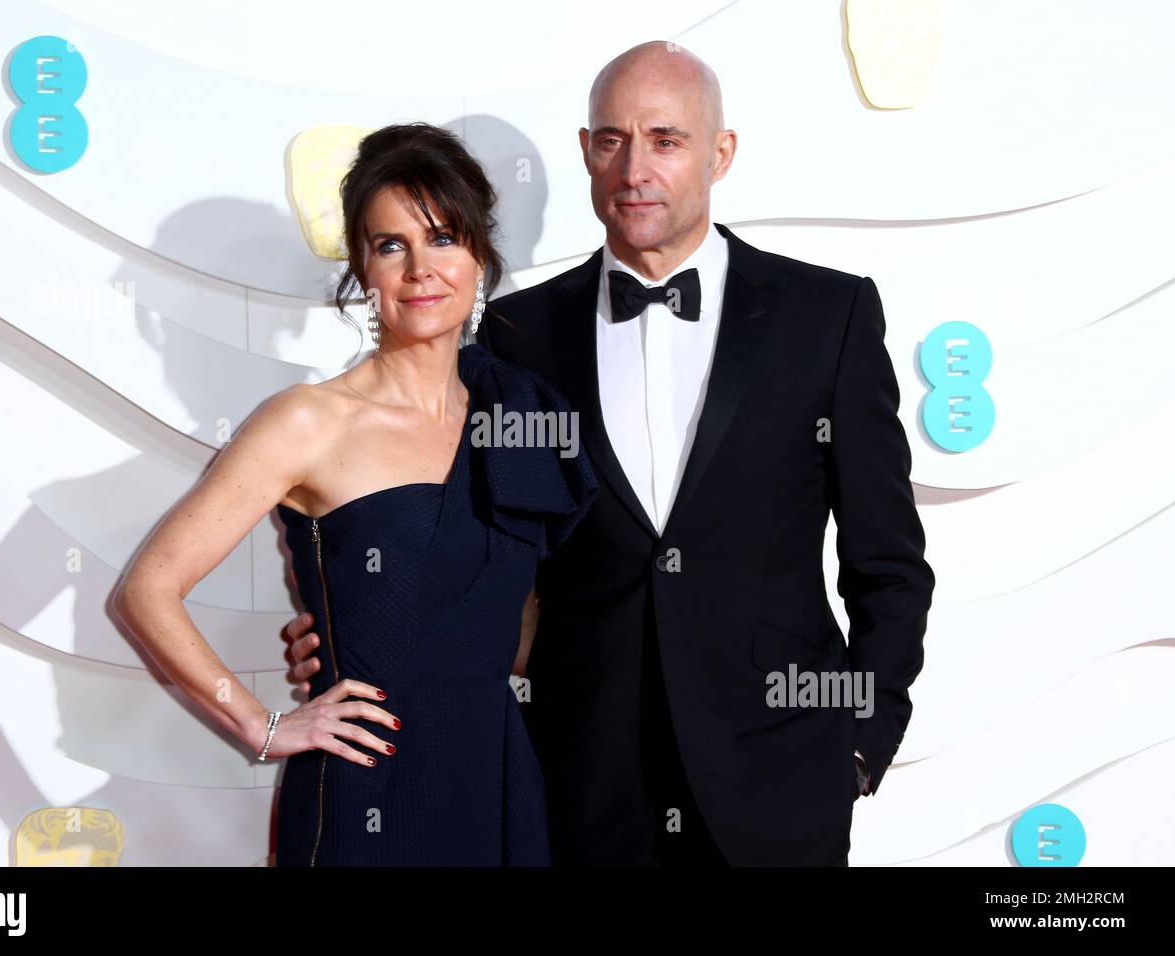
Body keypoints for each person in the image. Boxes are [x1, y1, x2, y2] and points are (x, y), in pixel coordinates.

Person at [291, 41, 937, 867]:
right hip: (582, 781)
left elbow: (888, 562)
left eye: (665, 140)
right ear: (586, 152)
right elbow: (485, 551)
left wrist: (857, 739)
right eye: (611, 140)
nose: (634, 168)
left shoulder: (827, 316)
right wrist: (356, 620)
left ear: (721, 153)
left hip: (780, 782)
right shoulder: (520, 335)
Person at [113, 122, 597, 866]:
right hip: (366, 791)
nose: (420, 270)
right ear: (362, 268)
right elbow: (146, 589)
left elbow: (520, 614)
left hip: (495, 779)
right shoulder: (308, 421)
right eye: (390, 245)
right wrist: (264, 727)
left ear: (479, 255)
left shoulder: (517, 414)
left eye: (443, 237)